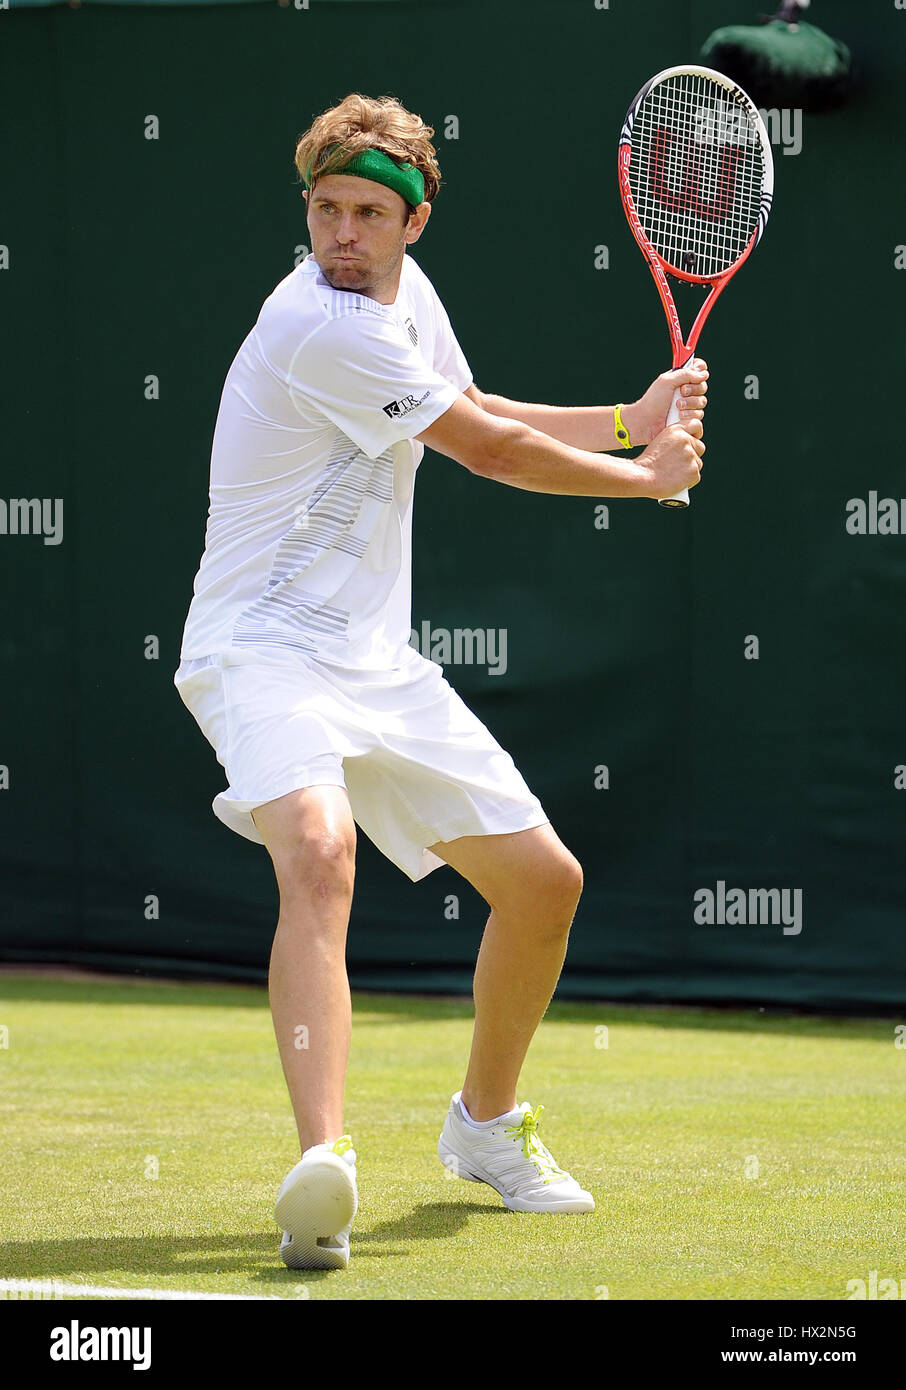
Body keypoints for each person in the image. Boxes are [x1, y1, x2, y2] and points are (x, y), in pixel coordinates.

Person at [173, 93, 707, 1272]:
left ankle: (485, 1127)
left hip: (374, 659)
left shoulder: (402, 299)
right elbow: (490, 452)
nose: (344, 235)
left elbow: (476, 408)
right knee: (316, 848)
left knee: (546, 885)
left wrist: (626, 422)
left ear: (414, 222)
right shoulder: (318, 323)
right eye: (325, 210)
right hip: (258, 646)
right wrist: (646, 480)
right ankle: (324, 1166)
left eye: (370, 212)